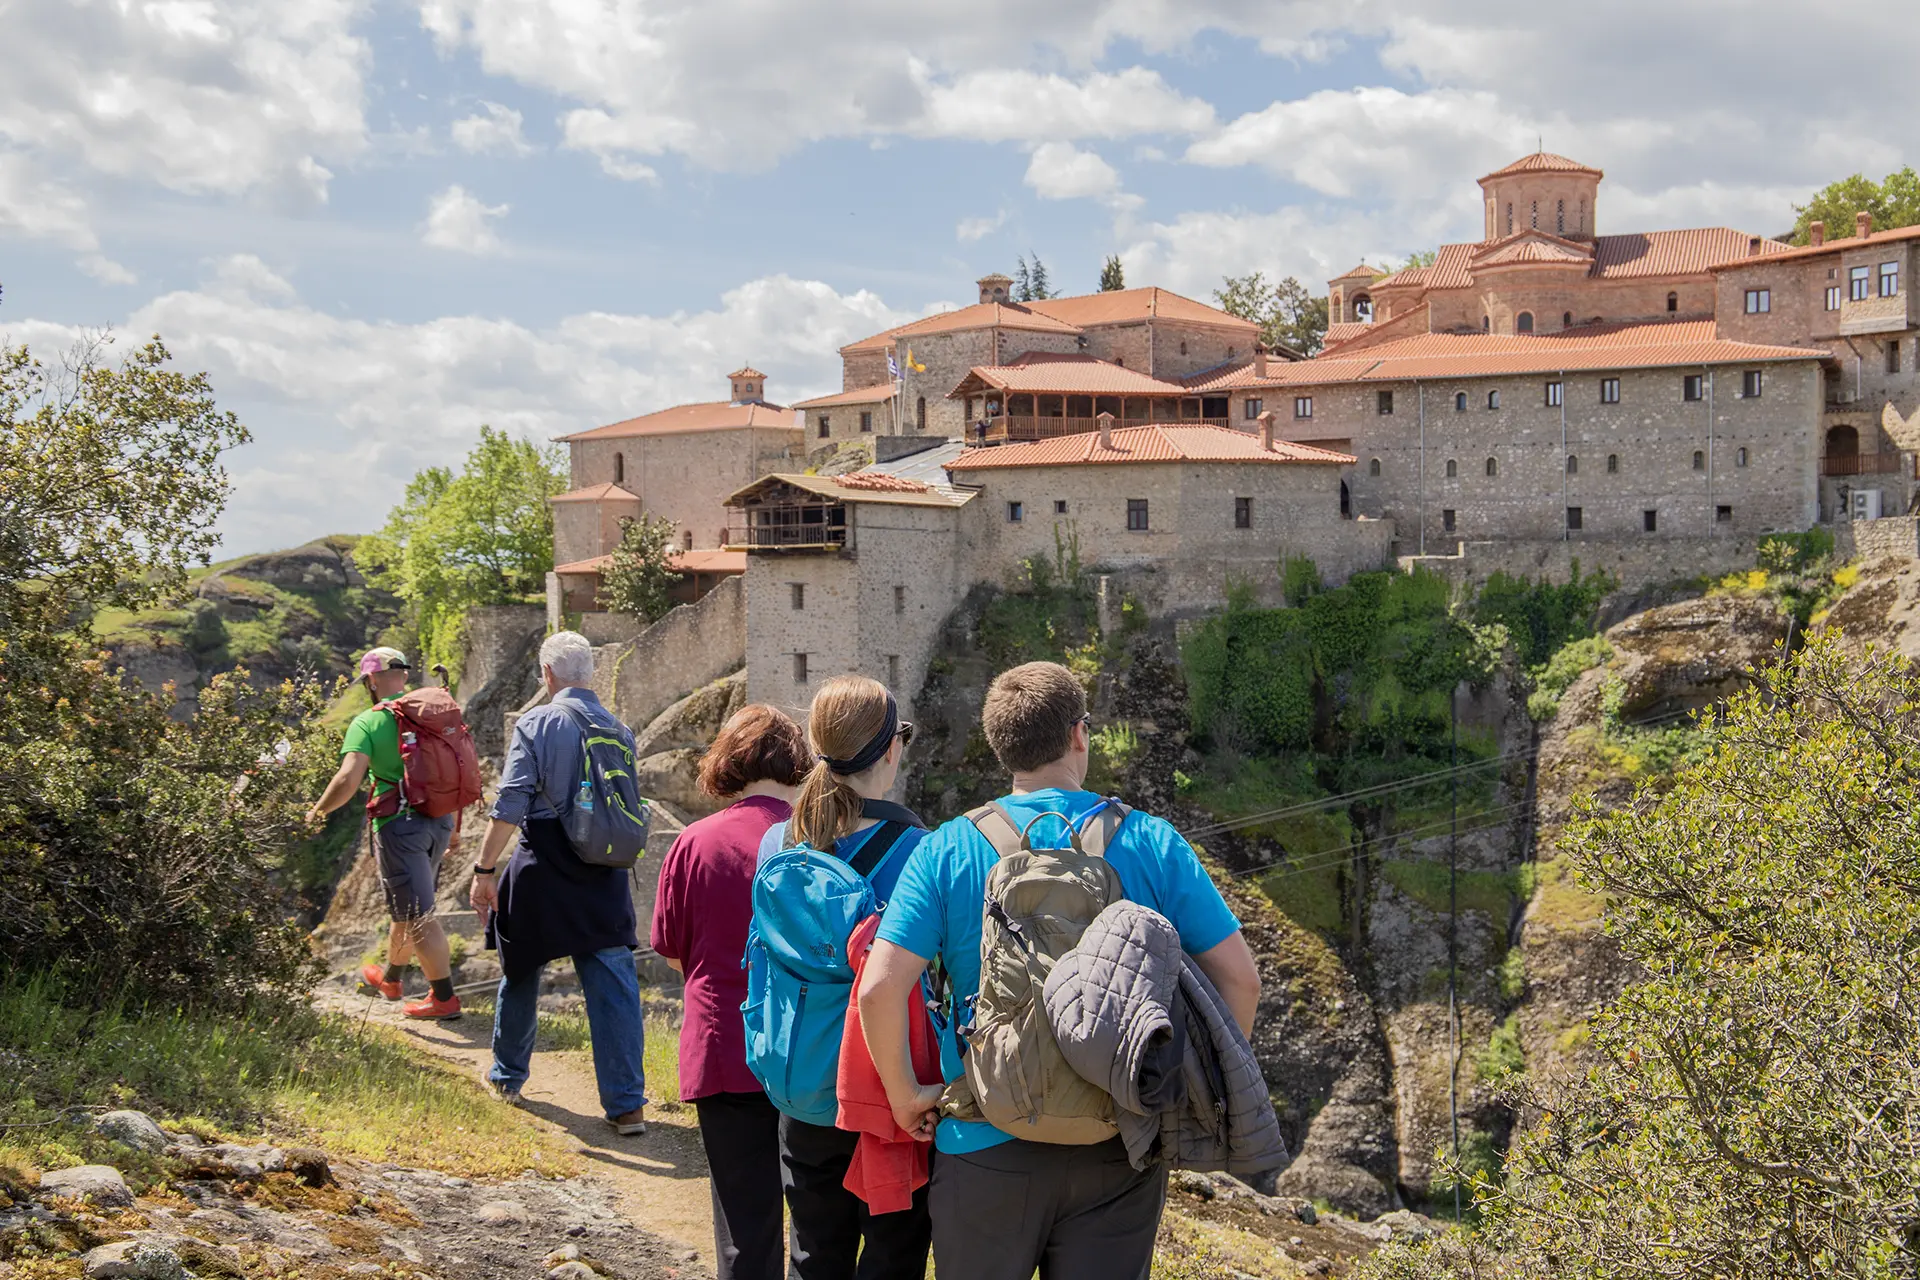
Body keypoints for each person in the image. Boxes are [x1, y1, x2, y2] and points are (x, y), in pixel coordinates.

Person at [856, 660, 1262, 1280]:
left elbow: (881, 989)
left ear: (1000, 748)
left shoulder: (947, 848)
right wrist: (1173, 1093)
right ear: (1080, 735)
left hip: (983, 1138)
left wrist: (906, 1096)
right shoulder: (1152, 842)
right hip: (1116, 1146)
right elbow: (1241, 979)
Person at [755, 675, 933, 1280]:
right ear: (891, 749)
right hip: (886, 1087)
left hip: (801, 1079)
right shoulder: (920, 852)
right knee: (893, 1251)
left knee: (813, 1252)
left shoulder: (777, 842)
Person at [650, 704, 811, 1280]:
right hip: (809, 1052)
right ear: (798, 762)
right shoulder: (818, 840)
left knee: (745, 1226)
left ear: (727, 762)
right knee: (821, 1227)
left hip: (727, 1044)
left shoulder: (695, 842)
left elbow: (672, 949)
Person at [468, 631, 648, 1133]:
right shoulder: (618, 727)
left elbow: (512, 801)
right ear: (589, 674)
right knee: (613, 980)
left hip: (545, 861)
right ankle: (627, 1103)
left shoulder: (537, 721)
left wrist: (484, 869)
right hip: (604, 867)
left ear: (547, 674)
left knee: (521, 967)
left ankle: (507, 1076)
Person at [308, 646, 460, 1020]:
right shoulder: (433, 712)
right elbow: (455, 768)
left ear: (371, 680)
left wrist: (316, 811)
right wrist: (453, 824)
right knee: (407, 904)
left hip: (400, 825)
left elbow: (347, 779)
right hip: (439, 819)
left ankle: (444, 999)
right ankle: (391, 978)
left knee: (418, 912)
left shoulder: (369, 721)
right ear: (404, 676)